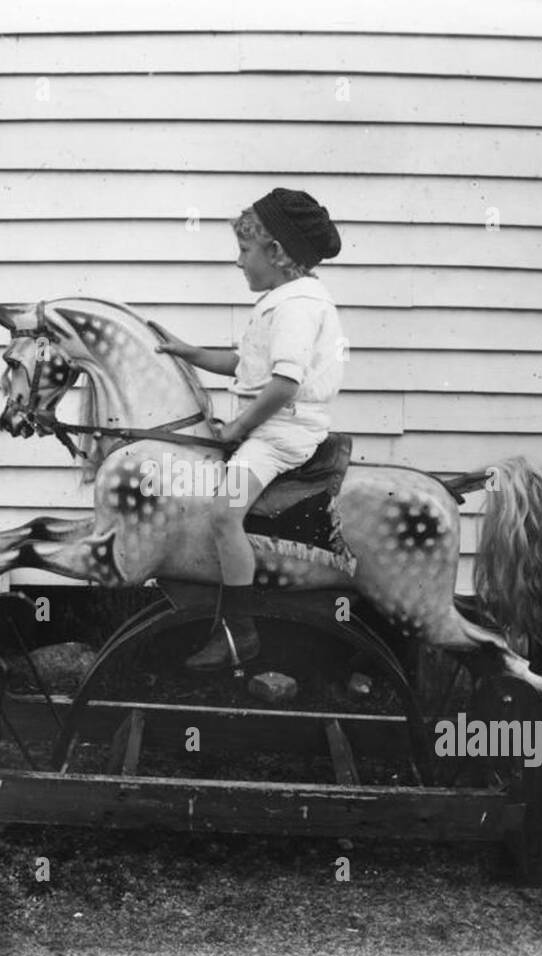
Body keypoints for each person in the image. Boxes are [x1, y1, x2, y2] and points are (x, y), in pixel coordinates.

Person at [153, 188, 345, 671]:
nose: (239, 263)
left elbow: (284, 384)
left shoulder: (297, 306)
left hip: (281, 436)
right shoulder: (283, 299)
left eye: (245, 251)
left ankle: (240, 635)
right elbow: (247, 363)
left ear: (276, 254)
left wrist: (236, 426)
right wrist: (191, 353)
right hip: (271, 427)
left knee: (222, 513)